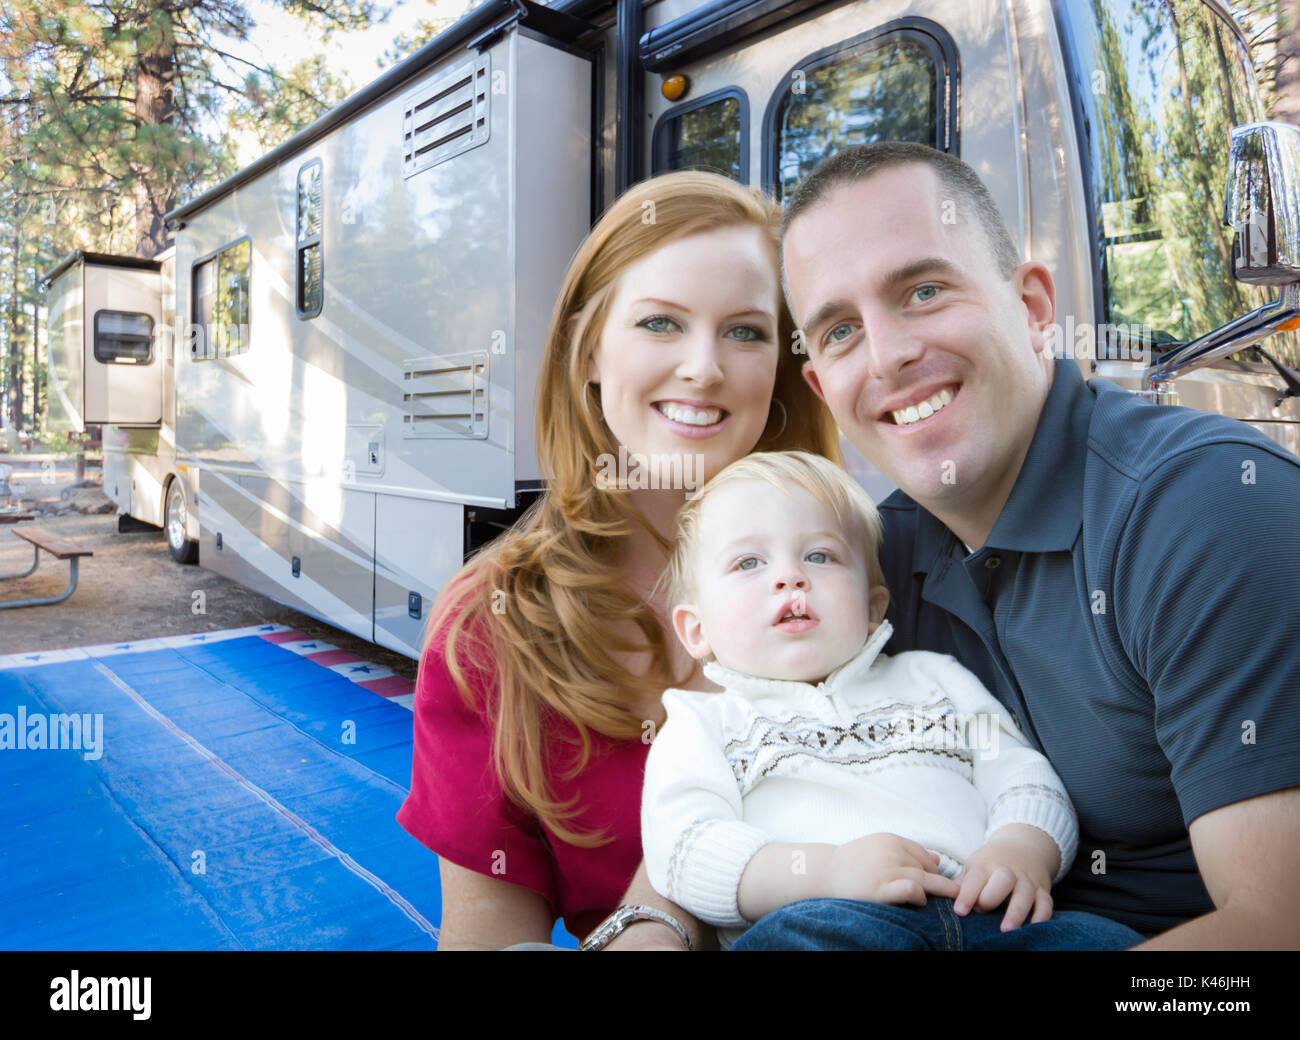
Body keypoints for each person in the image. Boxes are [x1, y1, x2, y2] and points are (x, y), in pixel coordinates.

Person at [754, 141, 1300, 949]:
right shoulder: (876, 560)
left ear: (1035, 307)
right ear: (820, 388)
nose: (889, 354)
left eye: (924, 290)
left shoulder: (1204, 507)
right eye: (839, 331)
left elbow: (1276, 931)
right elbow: (737, 737)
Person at [395, 170, 841, 949]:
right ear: (587, 350)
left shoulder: (856, 565)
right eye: (662, 324)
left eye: (745, 331)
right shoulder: (489, 629)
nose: (704, 367)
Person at [641, 449, 1145, 950]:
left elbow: (1022, 774)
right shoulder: (703, 723)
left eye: (820, 556)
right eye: (748, 562)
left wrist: (1021, 847)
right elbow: (685, 849)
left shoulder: (934, 676)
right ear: (696, 628)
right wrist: (826, 871)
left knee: (1103, 940)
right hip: (826, 919)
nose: (789, 576)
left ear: (872, 607)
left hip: (985, 913)